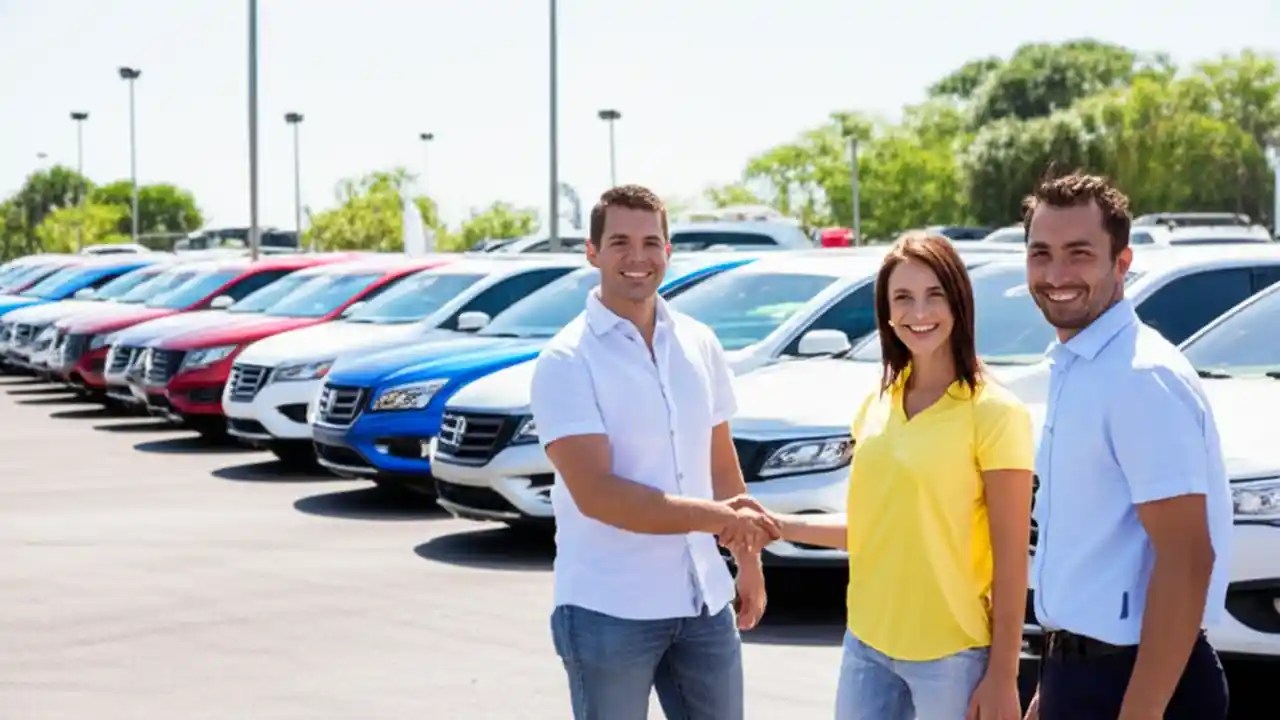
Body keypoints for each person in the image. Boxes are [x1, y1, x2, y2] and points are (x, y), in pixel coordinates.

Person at [727, 231, 1035, 719]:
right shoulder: (877, 404)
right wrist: (778, 527)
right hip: (866, 645)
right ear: (887, 313)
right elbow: (870, 530)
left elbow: (1012, 561)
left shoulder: (996, 413)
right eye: (903, 298)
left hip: (951, 656)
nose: (919, 312)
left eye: (935, 295)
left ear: (959, 301)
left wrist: (1002, 675)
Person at [529, 184, 777, 720]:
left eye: (651, 242)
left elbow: (719, 462)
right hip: (610, 610)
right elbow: (599, 495)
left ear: (668, 251)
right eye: (619, 242)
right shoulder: (566, 361)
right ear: (592, 252)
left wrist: (747, 560)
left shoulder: (698, 342)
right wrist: (719, 519)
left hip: (704, 600)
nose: (637, 257)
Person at [1018, 172, 1233, 720]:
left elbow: (1187, 558)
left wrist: (1139, 711)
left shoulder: (1140, 376)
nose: (1057, 274)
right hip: (1080, 675)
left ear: (1122, 262)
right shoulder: (1079, 366)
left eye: (1079, 253)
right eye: (1041, 253)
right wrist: (1055, 681)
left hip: (1137, 684)